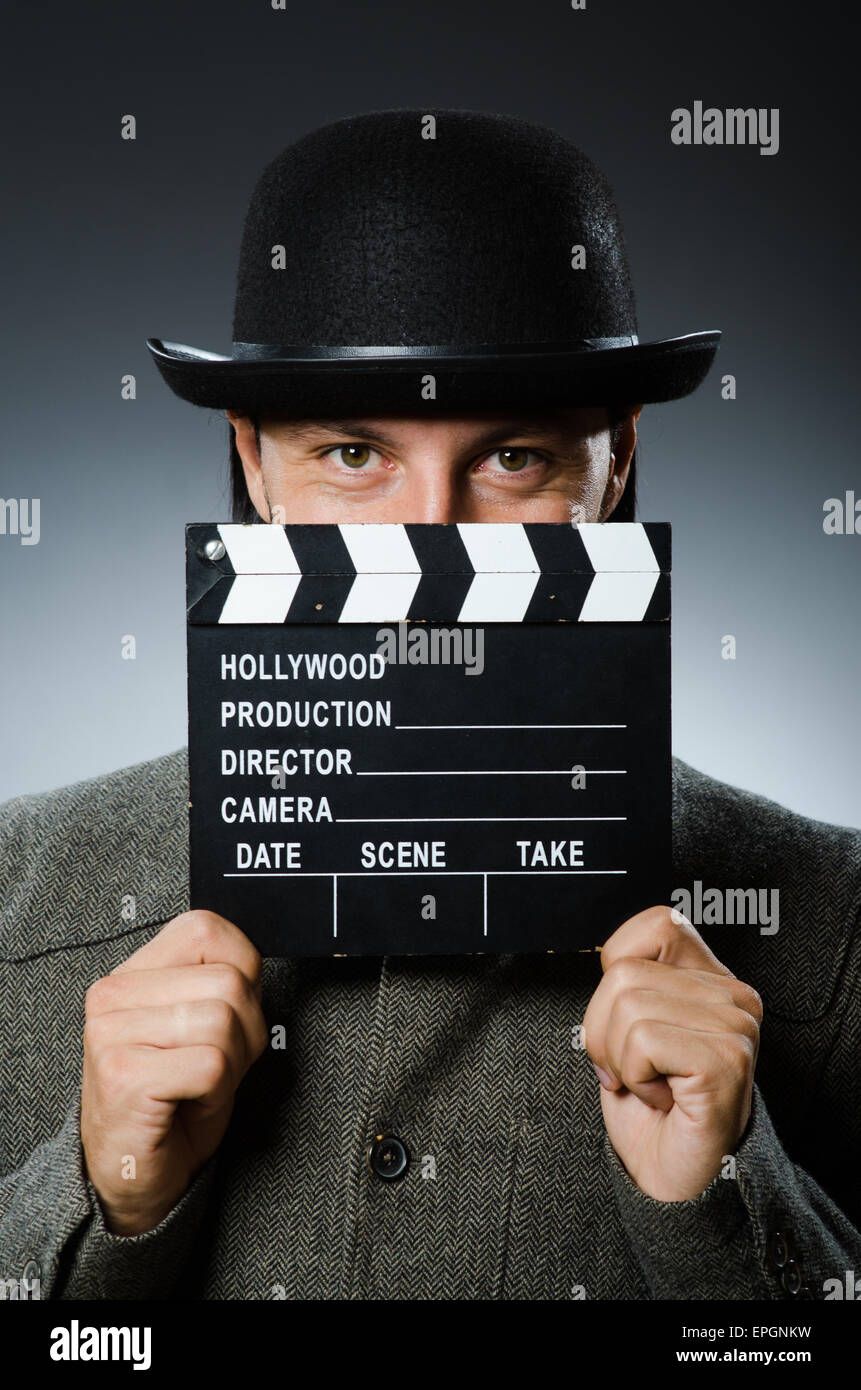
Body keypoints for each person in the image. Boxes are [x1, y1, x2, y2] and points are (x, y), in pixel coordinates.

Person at [1, 109, 858, 1302]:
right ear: (254, 465)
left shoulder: (835, 927)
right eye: (354, 455)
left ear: (619, 461)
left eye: (515, 458)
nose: (436, 538)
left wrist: (723, 1204)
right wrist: (98, 1200)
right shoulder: (19, 890)